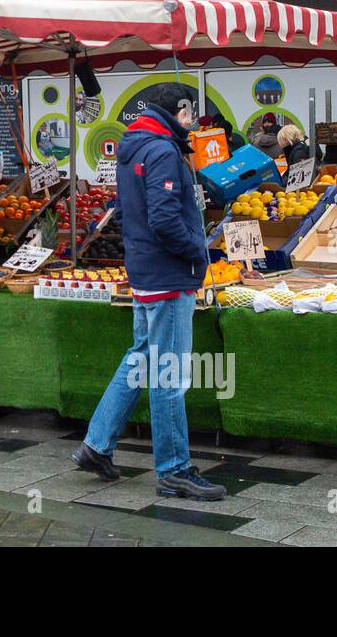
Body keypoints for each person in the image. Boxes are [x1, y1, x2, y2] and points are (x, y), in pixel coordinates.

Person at [70, 83, 227, 502]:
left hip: (144, 272)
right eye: (191, 113)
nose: (194, 121)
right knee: (168, 373)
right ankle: (174, 469)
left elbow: (130, 210)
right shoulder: (160, 150)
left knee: (141, 355)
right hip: (168, 276)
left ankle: (96, 444)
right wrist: (199, 250)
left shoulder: (134, 146)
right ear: (178, 112)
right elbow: (164, 219)